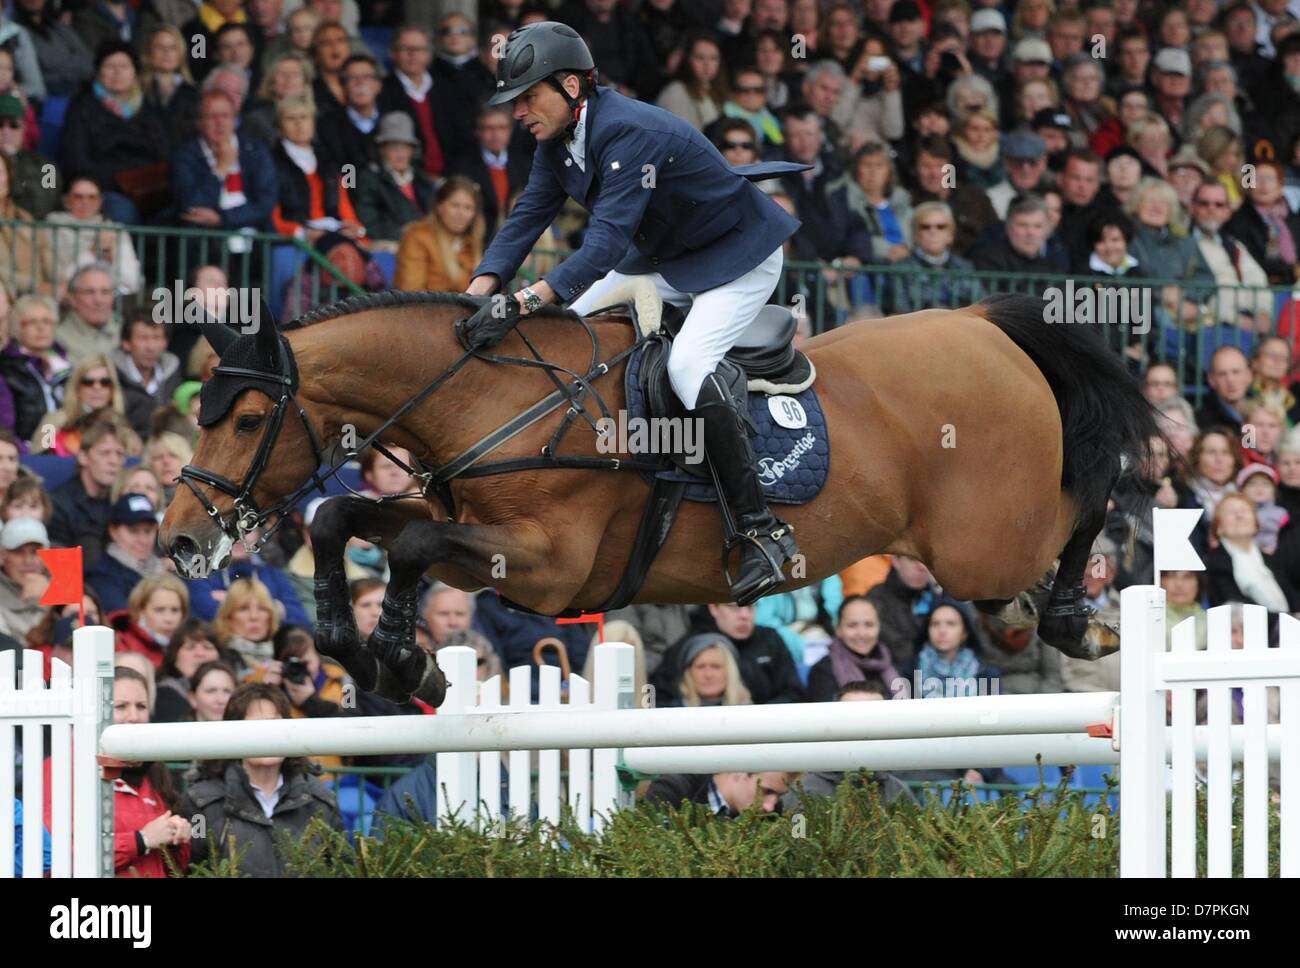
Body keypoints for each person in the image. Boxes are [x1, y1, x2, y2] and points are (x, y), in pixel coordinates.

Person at [460, 23, 809, 605]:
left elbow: (600, 248)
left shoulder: (629, 130)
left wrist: (521, 301)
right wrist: (479, 292)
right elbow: (526, 219)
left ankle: (759, 528)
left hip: (737, 257)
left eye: (526, 97)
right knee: (568, 331)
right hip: (667, 257)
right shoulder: (558, 140)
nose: (518, 112)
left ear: (570, 85)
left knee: (689, 366)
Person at [182, 683, 344, 877]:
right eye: (256, 726)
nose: (269, 735)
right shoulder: (202, 804)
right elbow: (191, 869)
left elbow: (340, 868)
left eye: (276, 723)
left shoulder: (320, 801)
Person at [48, 666, 192, 876]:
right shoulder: (62, 768)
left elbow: (175, 869)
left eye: (141, 706)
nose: (133, 716)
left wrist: (178, 840)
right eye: (121, 706)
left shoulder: (155, 772)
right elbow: (53, 860)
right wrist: (141, 840)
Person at [59, 40, 169, 225]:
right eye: (110, 66)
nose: (117, 72)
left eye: (124, 66)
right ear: (98, 72)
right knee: (122, 213)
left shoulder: (150, 109)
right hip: (107, 189)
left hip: (149, 188)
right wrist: (120, 183)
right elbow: (75, 159)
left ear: (135, 73)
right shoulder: (81, 108)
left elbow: (164, 153)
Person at [45, 175, 143, 300]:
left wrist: (113, 258)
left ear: (100, 202)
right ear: (67, 201)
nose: (85, 202)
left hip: (111, 296)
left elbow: (132, 281)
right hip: (69, 297)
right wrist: (92, 252)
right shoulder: (53, 227)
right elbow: (62, 278)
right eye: (78, 197)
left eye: (92, 197)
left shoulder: (114, 230)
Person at [354, 111, 437, 248]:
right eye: (393, 148)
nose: (400, 154)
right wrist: (410, 234)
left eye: (405, 147)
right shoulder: (370, 179)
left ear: (412, 150)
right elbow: (371, 223)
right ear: (382, 150)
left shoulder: (422, 179)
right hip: (393, 244)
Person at [1205, 493, 1297, 610]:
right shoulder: (1214, 563)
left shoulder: (1271, 559)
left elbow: (1291, 595)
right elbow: (1234, 604)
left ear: (1256, 524)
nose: (1239, 515)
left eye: (1244, 510)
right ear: (1219, 528)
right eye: (1231, 512)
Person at [394, 175, 484, 291]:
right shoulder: (417, 237)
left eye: (468, 208)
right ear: (439, 206)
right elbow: (411, 293)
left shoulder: (471, 242)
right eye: (455, 205)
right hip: (425, 308)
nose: (461, 214)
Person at [1, 294, 70, 442]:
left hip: (65, 451)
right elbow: (5, 426)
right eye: (32, 322)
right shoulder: (6, 368)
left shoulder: (66, 368)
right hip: (25, 453)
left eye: (47, 321)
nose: (41, 327)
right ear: (16, 327)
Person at [807, 596, 903, 701]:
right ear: (838, 629)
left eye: (869, 625)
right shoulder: (823, 672)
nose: (861, 633)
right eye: (852, 625)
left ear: (879, 627)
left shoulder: (896, 664)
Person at [85, 493, 168, 613]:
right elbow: (123, 620)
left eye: (148, 531)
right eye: (133, 531)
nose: (143, 540)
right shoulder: (101, 576)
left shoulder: (166, 571)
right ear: (113, 531)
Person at [105, 572, 188, 671]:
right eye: (159, 610)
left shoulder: (191, 648)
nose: (169, 619)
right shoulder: (116, 644)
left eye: (175, 610)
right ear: (140, 611)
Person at [0, 153, 53, 296]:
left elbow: (47, 255)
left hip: (39, 299)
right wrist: (36, 286)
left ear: (9, 179)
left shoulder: (23, 217)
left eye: (0, 173)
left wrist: (62, 283)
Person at [153, 618, 224, 722]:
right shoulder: (163, 695)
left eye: (207, 647)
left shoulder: (235, 689)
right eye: (190, 647)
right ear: (174, 655)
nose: (200, 654)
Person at [644, 769, 795, 816]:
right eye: (766, 791)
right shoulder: (673, 789)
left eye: (779, 795)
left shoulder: (774, 811)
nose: (770, 806)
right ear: (741, 770)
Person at [661, 632, 752, 707]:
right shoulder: (669, 714)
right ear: (688, 672)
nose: (708, 675)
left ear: (731, 672)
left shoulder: (751, 714)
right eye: (700, 667)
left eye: (716, 667)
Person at [213, 576, 281, 676]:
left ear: (270, 616)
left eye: (262, 609)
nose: (254, 616)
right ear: (228, 617)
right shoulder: (217, 659)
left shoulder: (282, 655)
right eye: (243, 609)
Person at [0, 515, 50, 640]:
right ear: (2, 556)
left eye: (35, 551)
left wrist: (52, 601)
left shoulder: (67, 591)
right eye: (18, 552)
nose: (28, 561)